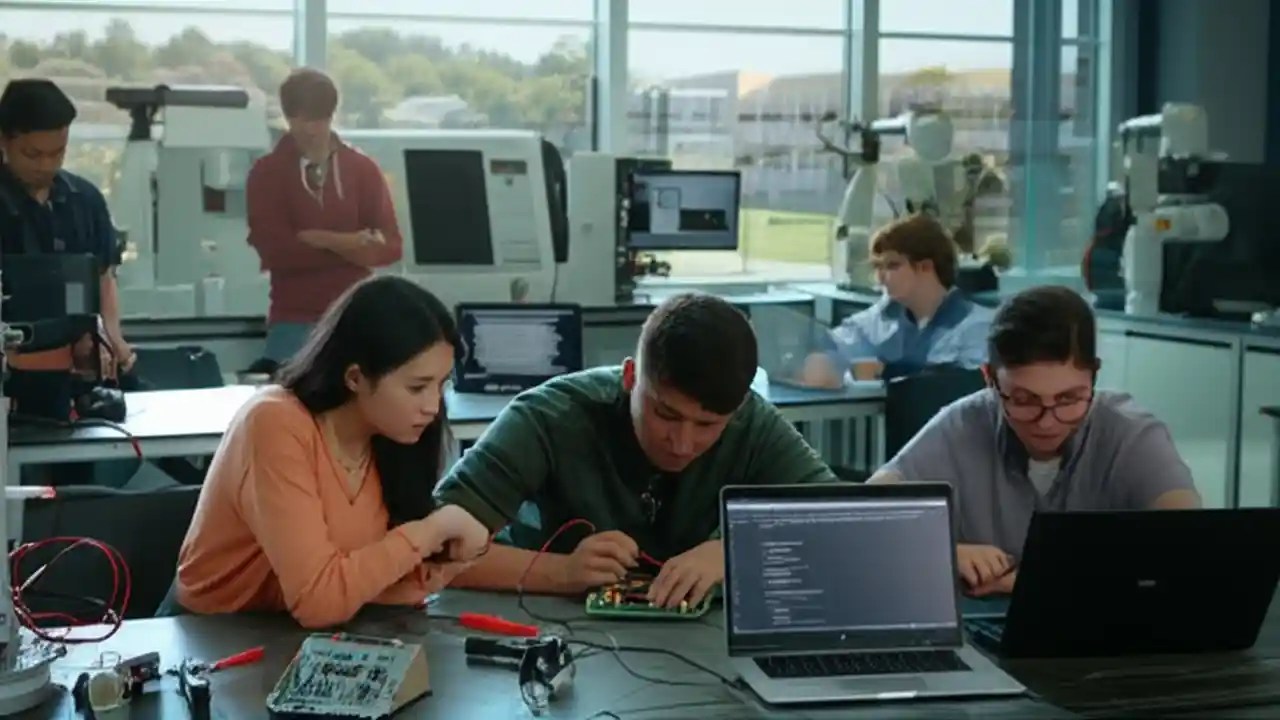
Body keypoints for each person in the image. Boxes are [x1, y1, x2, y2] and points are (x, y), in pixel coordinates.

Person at [429, 292, 839, 610]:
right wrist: (562, 572)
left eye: (708, 426)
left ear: (738, 407)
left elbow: (844, 526)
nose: (682, 444)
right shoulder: (548, 417)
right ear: (630, 377)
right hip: (561, 641)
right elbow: (430, 553)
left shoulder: (754, 422)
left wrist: (738, 552)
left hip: (702, 659)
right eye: (665, 414)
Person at [170, 276, 485, 628]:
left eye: (442, 385)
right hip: (211, 637)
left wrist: (450, 559)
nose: (433, 406)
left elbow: (382, 582)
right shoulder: (275, 422)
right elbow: (319, 602)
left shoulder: (390, 435)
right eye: (417, 387)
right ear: (355, 378)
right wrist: (434, 529)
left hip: (302, 632)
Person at [869, 285, 1200, 597]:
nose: (1047, 421)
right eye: (1024, 400)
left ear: (1094, 376)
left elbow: (1187, 546)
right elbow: (864, 519)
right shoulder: (961, 425)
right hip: (985, 639)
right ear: (989, 379)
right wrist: (938, 553)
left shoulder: (1130, 433)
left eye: (1069, 398)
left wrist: (1023, 581)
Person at [247, 67, 403, 363]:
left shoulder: (362, 169)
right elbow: (277, 253)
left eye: (320, 120)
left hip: (354, 316)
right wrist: (355, 244)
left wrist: (320, 238)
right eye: (301, 120)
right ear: (288, 117)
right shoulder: (266, 173)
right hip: (294, 318)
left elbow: (392, 246)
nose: (311, 130)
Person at [0, 79, 133, 384]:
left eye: (57, 153)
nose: (45, 165)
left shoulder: (84, 200)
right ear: (3, 140)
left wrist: (111, 338)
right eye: (32, 154)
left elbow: (103, 275)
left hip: (80, 365)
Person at [799, 214, 990, 387]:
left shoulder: (978, 326)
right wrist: (824, 359)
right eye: (877, 267)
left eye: (892, 265)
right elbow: (836, 341)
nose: (881, 277)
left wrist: (885, 371)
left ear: (926, 267)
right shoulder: (885, 315)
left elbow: (962, 385)